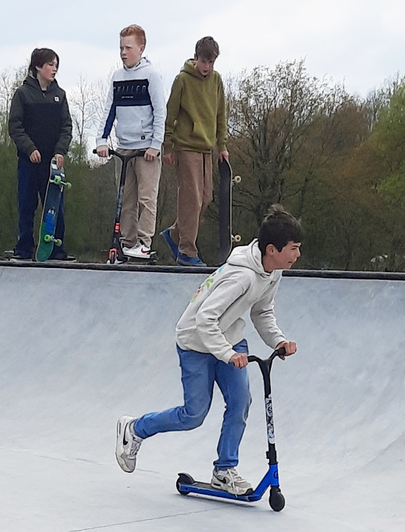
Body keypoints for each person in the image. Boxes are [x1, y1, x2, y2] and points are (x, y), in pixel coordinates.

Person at [115, 206, 303, 493]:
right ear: (272, 250)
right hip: (196, 342)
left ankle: (225, 470)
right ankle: (135, 429)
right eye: (293, 248)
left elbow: (262, 313)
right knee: (194, 415)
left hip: (229, 338)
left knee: (240, 403)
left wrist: (278, 340)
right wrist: (228, 354)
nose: (297, 255)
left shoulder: (272, 272)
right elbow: (205, 318)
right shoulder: (242, 277)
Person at [93, 24, 167, 261]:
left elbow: (160, 112)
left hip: (146, 149)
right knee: (125, 199)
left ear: (141, 48)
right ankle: (127, 243)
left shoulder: (151, 76)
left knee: (147, 198)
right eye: (121, 48)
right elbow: (109, 110)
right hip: (124, 147)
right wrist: (102, 140)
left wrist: (156, 144)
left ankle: (144, 243)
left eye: (128, 48)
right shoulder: (117, 78)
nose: (123, 53)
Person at [161, 36, 229, 268]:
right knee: (191, 199)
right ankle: (187, 251)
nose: (207, 67)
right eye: (203, 62)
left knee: (206, 198)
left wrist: (223, 145)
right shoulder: (182, 80)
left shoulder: (217, 81)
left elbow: (221, 114)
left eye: (211, 63)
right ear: (196, 58)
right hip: (186, 145)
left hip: (206, 148)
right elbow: (171, 114)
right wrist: (168, 146)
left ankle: (174, 234)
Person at [9, 47, 74, 261]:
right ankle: (24, 248)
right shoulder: (23, 94)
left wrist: (60, 151)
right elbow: (15, 126)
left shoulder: (60, 95)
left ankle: (57, 249)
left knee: (55, 207)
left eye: (56, 65)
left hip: (52, 163)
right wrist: (30, 149)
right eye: (50, 65)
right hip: (29, 162)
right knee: (27, 205)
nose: (54, 69)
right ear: (38, 66)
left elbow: (66, 127)